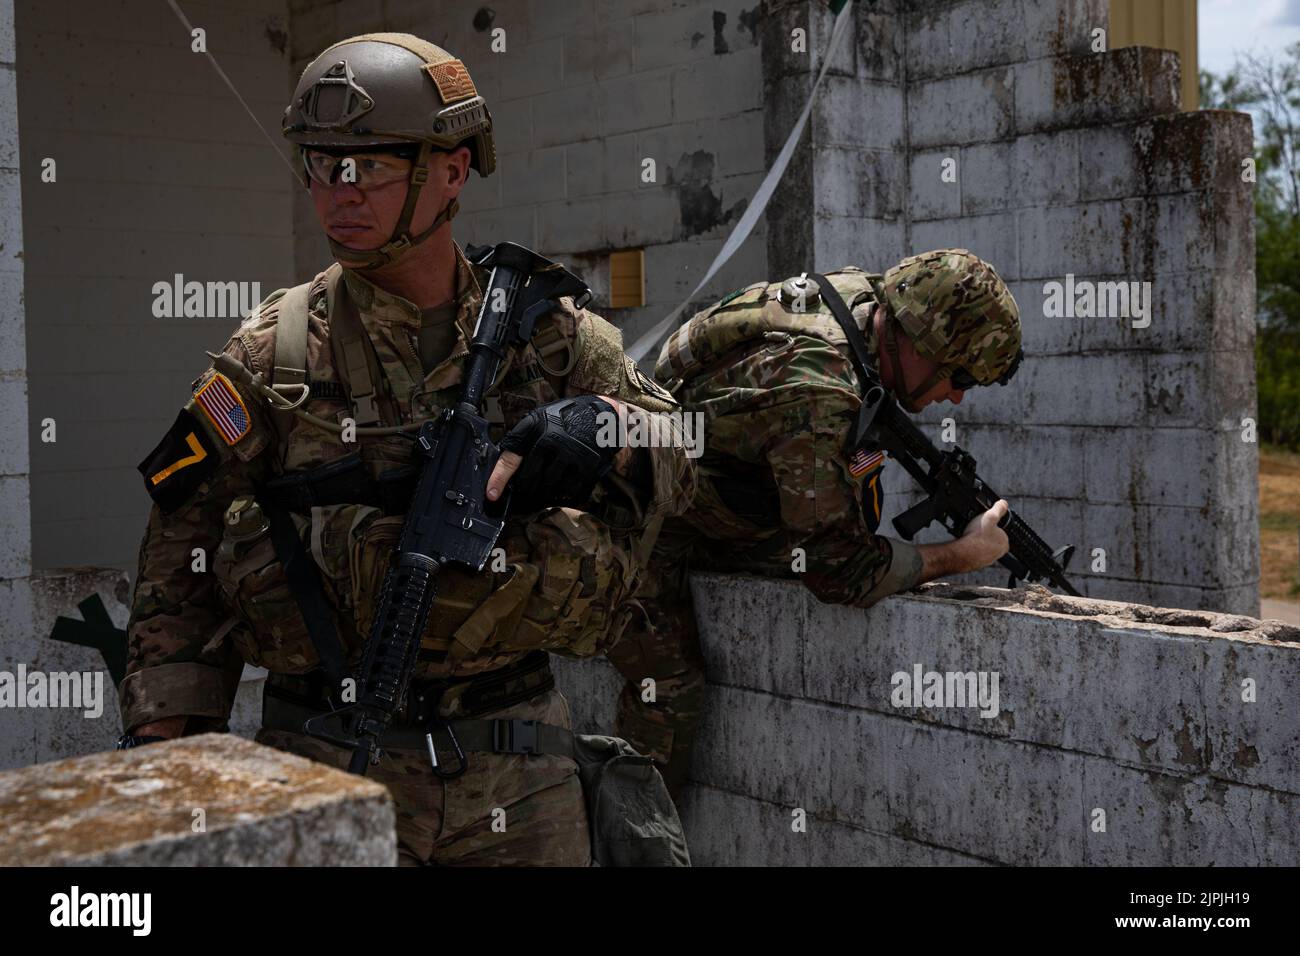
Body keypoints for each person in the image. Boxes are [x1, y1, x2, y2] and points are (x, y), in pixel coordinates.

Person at [118, 33, 694, 866]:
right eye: (320, 167)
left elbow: (683, 449)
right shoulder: (269, 357)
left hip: (517, 767)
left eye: (367, 169)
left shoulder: (553, 340)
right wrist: (164, 756)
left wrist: (605, 425)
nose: (335, 195)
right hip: (325, 754)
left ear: (451, 172)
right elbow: (180, 560)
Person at [607, 249, 1023, 797]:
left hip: (711, 467)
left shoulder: (865, 301)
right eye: (958, 375)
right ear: (921, 342)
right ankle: (633, 839)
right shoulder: (821, 389)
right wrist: (962, 554)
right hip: (646, 516)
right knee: (669, 694)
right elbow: (838, 572)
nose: (957, 395)